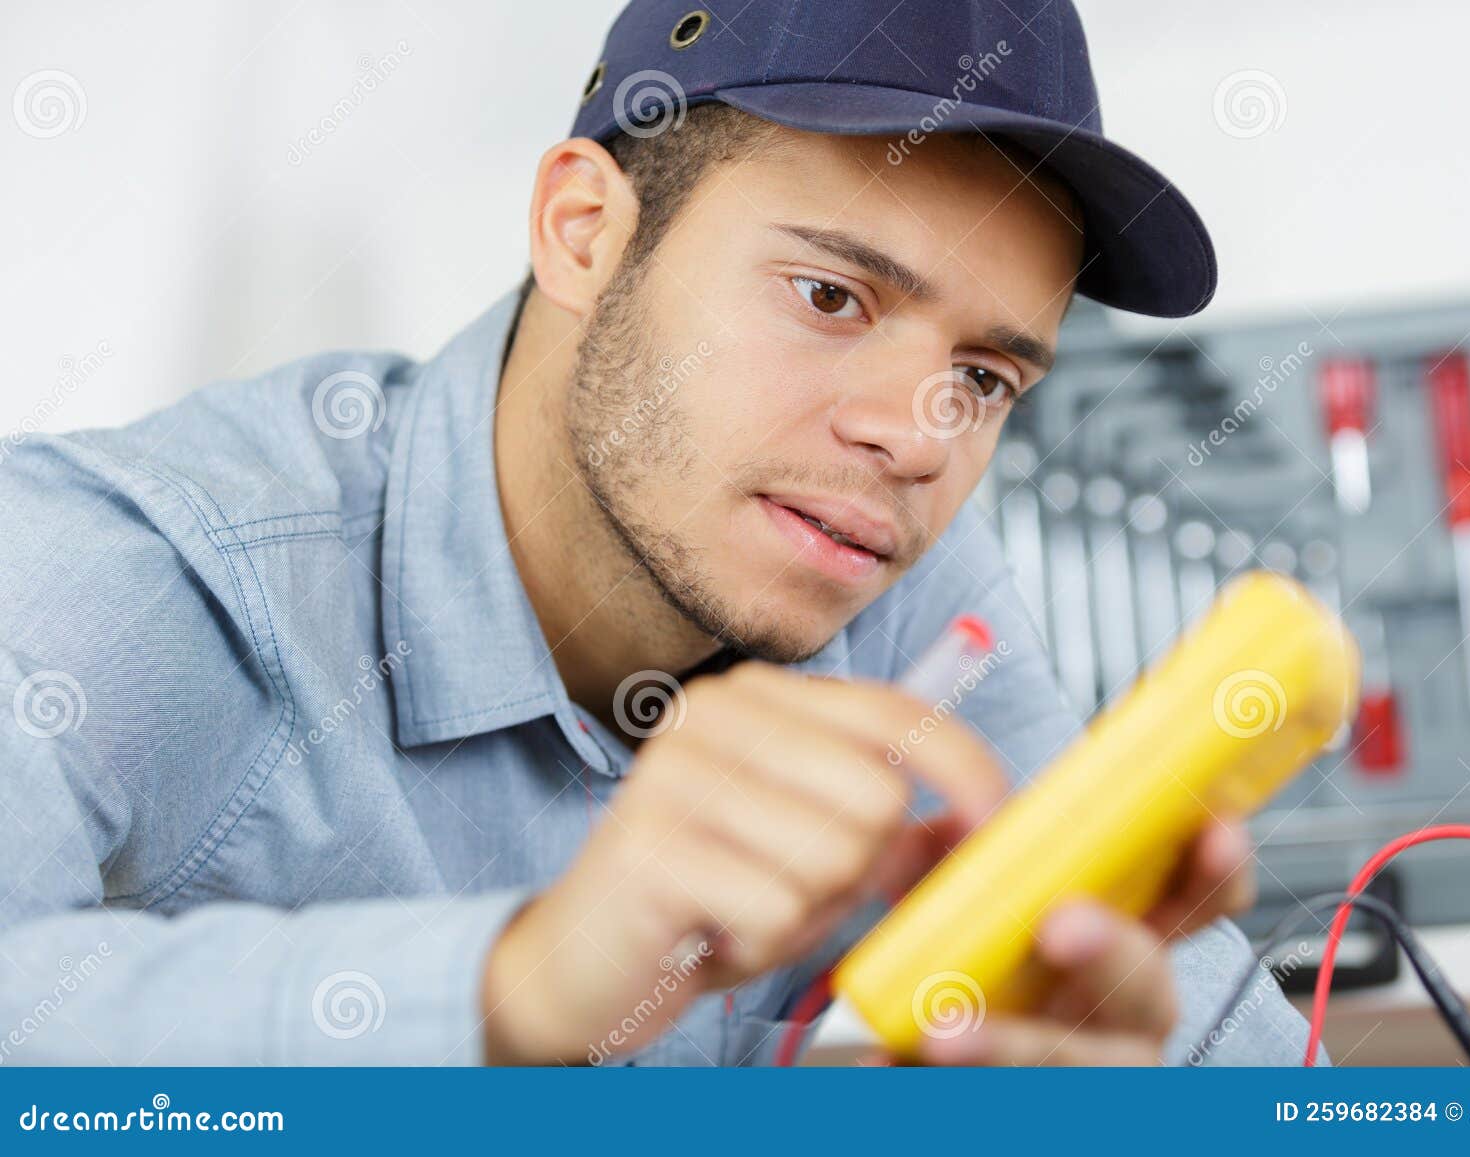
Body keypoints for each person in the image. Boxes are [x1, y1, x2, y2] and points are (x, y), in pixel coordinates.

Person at [0, 0, 1320, 1066]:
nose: (919, 436)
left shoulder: (884, 577)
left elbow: (1229, 1066)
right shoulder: (120, 569)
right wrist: (522, 982)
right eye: (830, 294)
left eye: (984, 376)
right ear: (584, 232)